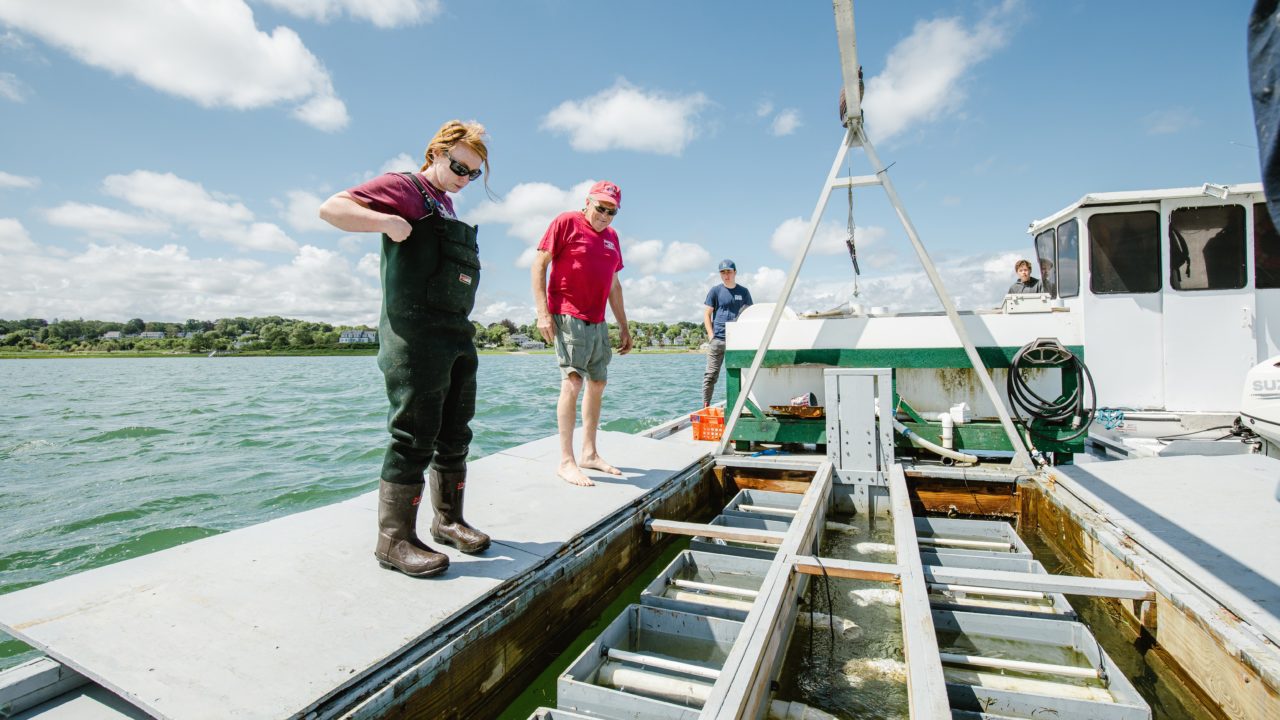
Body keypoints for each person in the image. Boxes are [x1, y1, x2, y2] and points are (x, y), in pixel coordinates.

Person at [318, 120, 491, 578]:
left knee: (456, 433)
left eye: (473, 173)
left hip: (455, 333)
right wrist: (387, 221)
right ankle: (393, 541)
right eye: (458, 166)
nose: (463, 177)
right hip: (413, 335)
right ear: (434, 154)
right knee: (413, 435)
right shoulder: (404, 187)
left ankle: (448, 520)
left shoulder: (446, 205)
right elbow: (332, 208)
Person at [532, 181, 632, 487]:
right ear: (587, 202)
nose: (604, 215)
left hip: (597, 319)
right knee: (573, 381)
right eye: (600, 207)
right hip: (568, 313)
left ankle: (589, 453)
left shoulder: (612, 238)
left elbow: (614, 285)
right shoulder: (565, 222)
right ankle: (566, 461)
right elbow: (539, 265)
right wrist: (542, 313)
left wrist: (624, 326)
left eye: (611, 211)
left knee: (598, 382)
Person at [702, 259, 753, 409]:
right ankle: (706, 405)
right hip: (717, 340)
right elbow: (707, 314)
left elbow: (749, 314)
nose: (726, 275)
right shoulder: (715, 291)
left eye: (729, 271)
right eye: (723, 272)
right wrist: (711, 335)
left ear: (735, 272)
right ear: (720, 274)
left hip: (737, 341)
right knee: (711, 375)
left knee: (741, 374)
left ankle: (741, 406)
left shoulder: (744, 292)